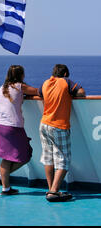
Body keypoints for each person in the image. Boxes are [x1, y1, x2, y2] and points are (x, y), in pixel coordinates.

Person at [38, 64, 85, 202]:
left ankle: (51, 189)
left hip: (44, 124)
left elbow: (39, 93)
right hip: (59, 125)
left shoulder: (46, 83)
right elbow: (81, 92)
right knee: (63, 159)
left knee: (48, 158)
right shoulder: (66, 82)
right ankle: (54, 191)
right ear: (65, 74)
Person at [0, 65, 38, 195]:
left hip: (0, 125)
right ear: (20, 75)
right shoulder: (19, 86)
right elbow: (37, 91)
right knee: (26, 154)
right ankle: (2, 179)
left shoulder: (2, 88)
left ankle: (5, 186)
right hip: (13, 127)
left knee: (7, 157)